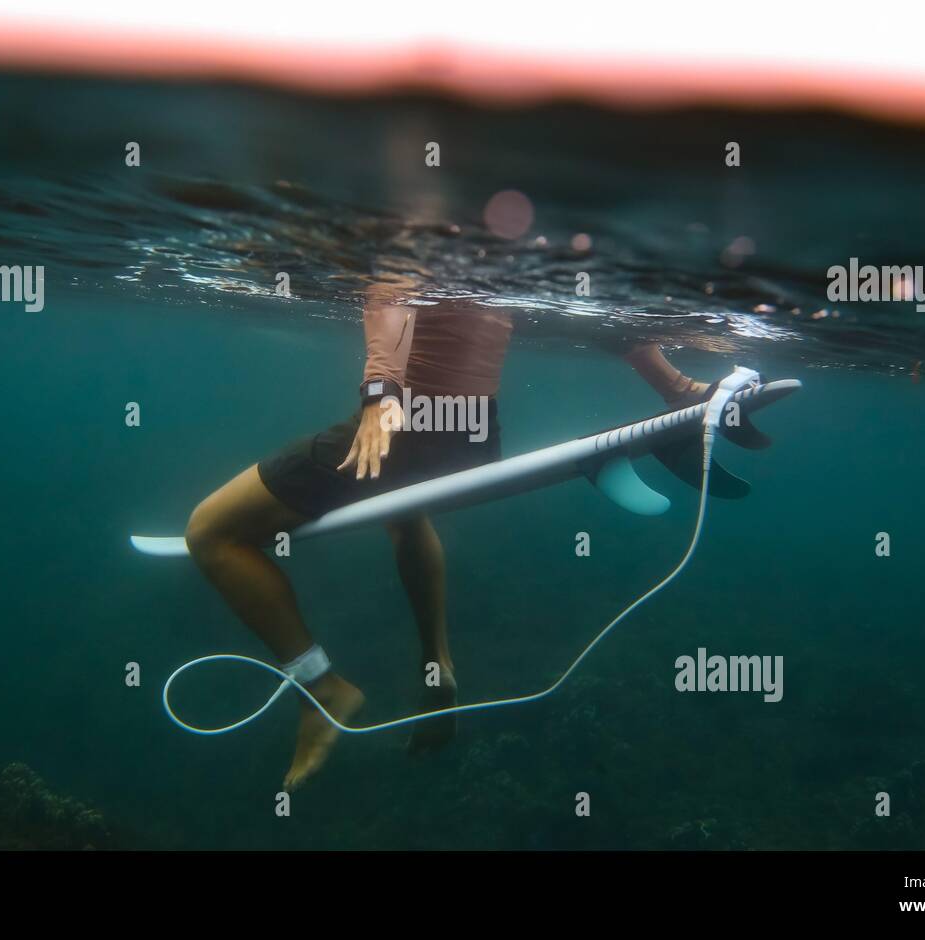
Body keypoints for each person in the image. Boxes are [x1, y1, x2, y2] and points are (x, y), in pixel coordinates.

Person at [184, 277, 722, 791]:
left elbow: (393, 290)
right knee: (403, 509)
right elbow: (595, 317)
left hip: (406, 429)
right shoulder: (505, 247)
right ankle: (436, 667)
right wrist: (679, 387)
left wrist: (380, 396)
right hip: (474, 439)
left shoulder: (407, 208)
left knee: (210, 533)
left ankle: (320, 686)